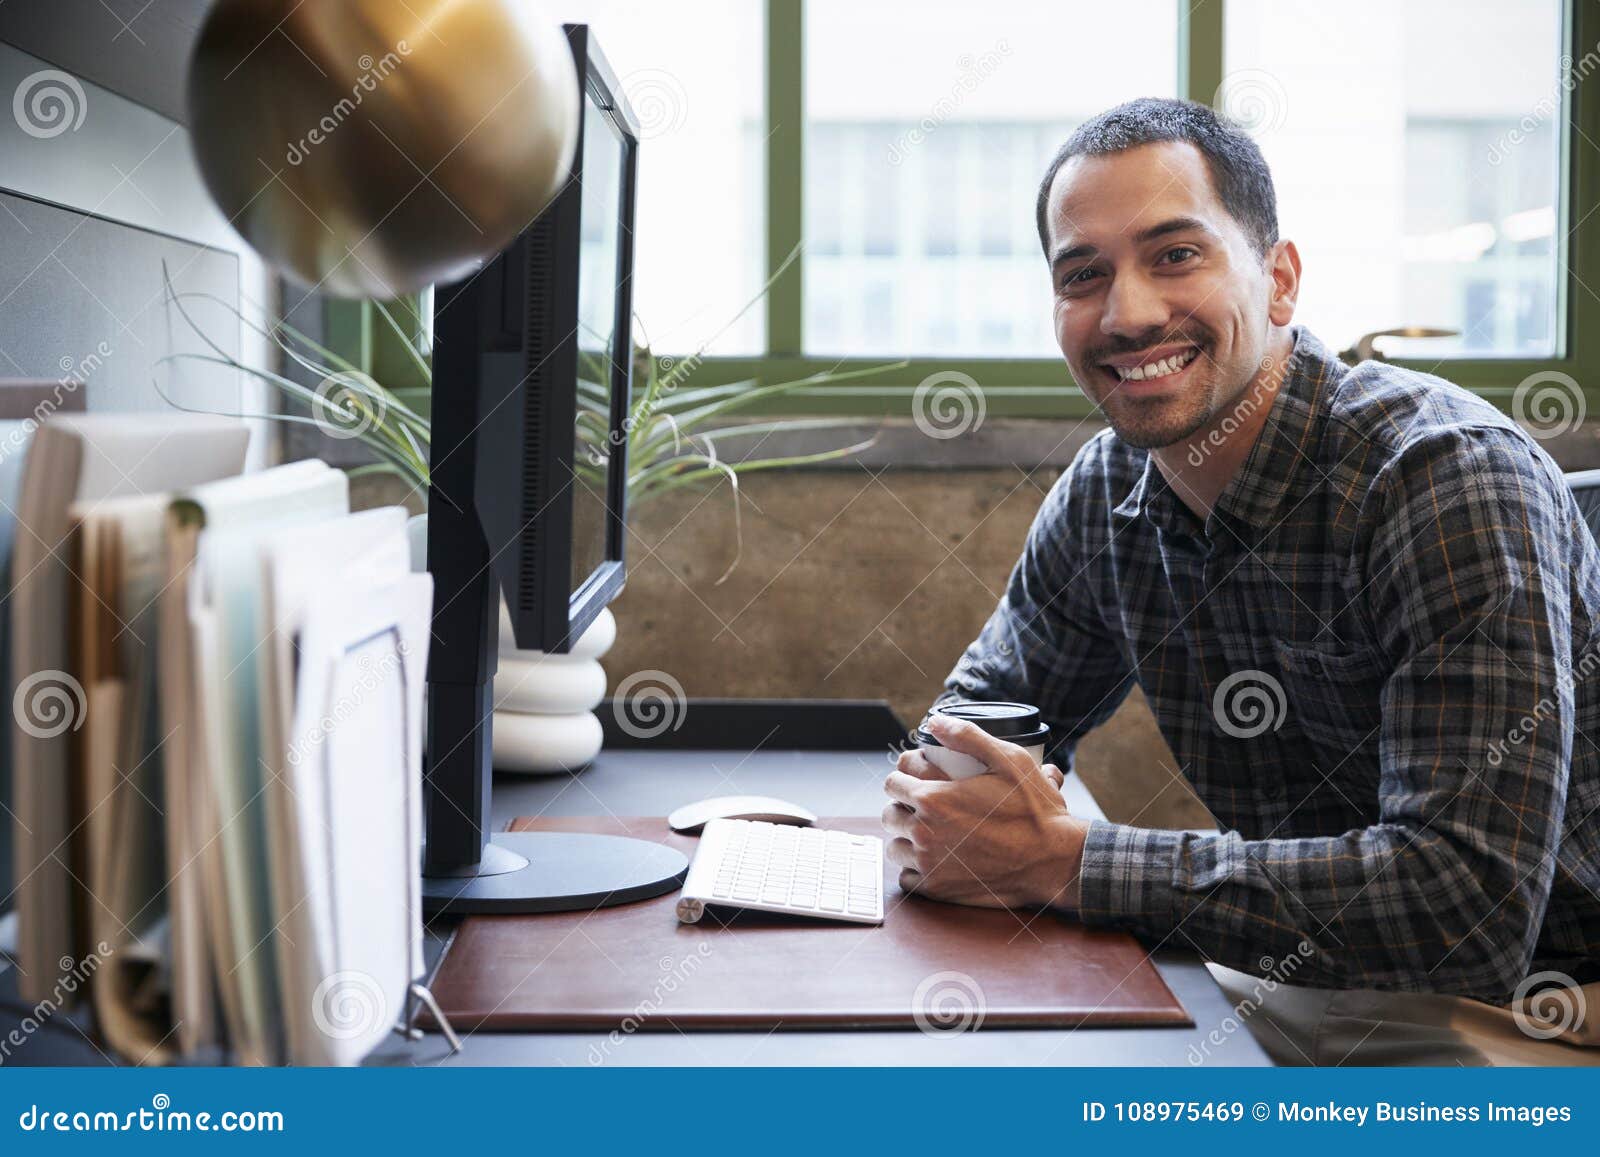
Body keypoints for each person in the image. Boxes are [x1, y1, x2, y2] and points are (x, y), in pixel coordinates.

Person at [883, 97, 1600, 1065]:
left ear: (1278, 279)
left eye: (1174, 254)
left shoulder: (1445, 476)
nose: (1126, 312)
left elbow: (1463, 902)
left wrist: (1072, 859)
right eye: (1082, 273)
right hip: (1309, 981)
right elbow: (976, 721)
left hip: (1537, 1003)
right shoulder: (1110, 488)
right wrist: (960, 801)